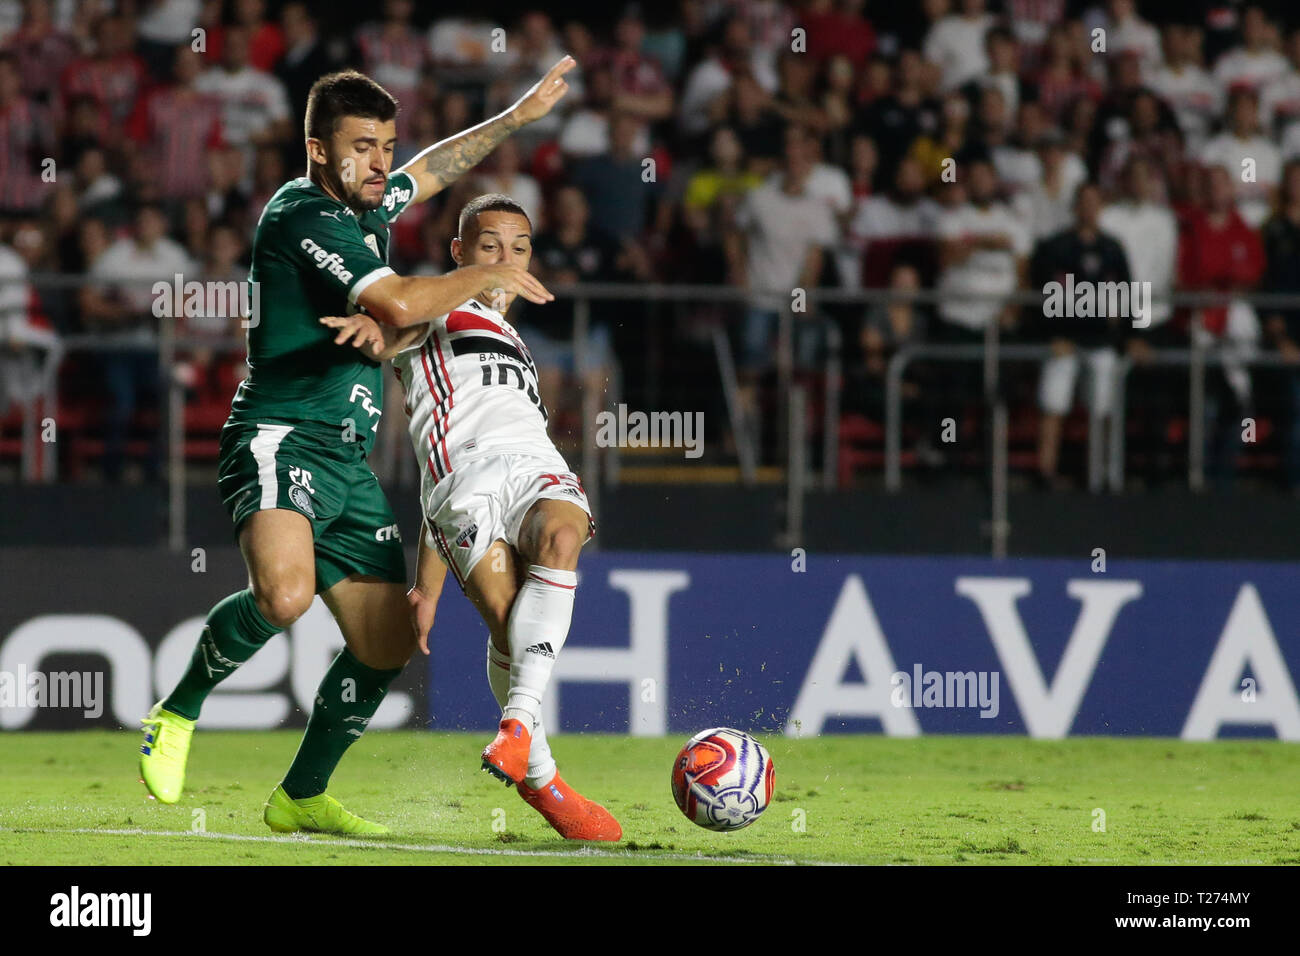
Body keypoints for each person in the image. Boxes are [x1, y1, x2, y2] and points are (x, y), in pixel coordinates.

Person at [138, 59, 575, 836]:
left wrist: (516, 117)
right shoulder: (305, 216)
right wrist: (482, 271)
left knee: (387, 641)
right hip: (280, 434)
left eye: (387, 144)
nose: (382, 163)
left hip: (347, 458)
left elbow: (435, 167)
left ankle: (302, 794)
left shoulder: (367, 203)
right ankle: (177, 711)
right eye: (364, 147)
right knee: (285, 595)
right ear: (317, 149)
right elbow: (403, 299)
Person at [322, 193, 621, 841]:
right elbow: (387, 331)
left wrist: (426, 586)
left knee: (563, 533)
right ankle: (543, 781)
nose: (506, 261)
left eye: (518, 248)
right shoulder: (431, 304)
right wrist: (370, 333)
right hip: (462, 487)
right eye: (490, 247)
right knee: (509, 626)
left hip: (532, 462)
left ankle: (516, 730)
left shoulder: (514, 337)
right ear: (459, 252)